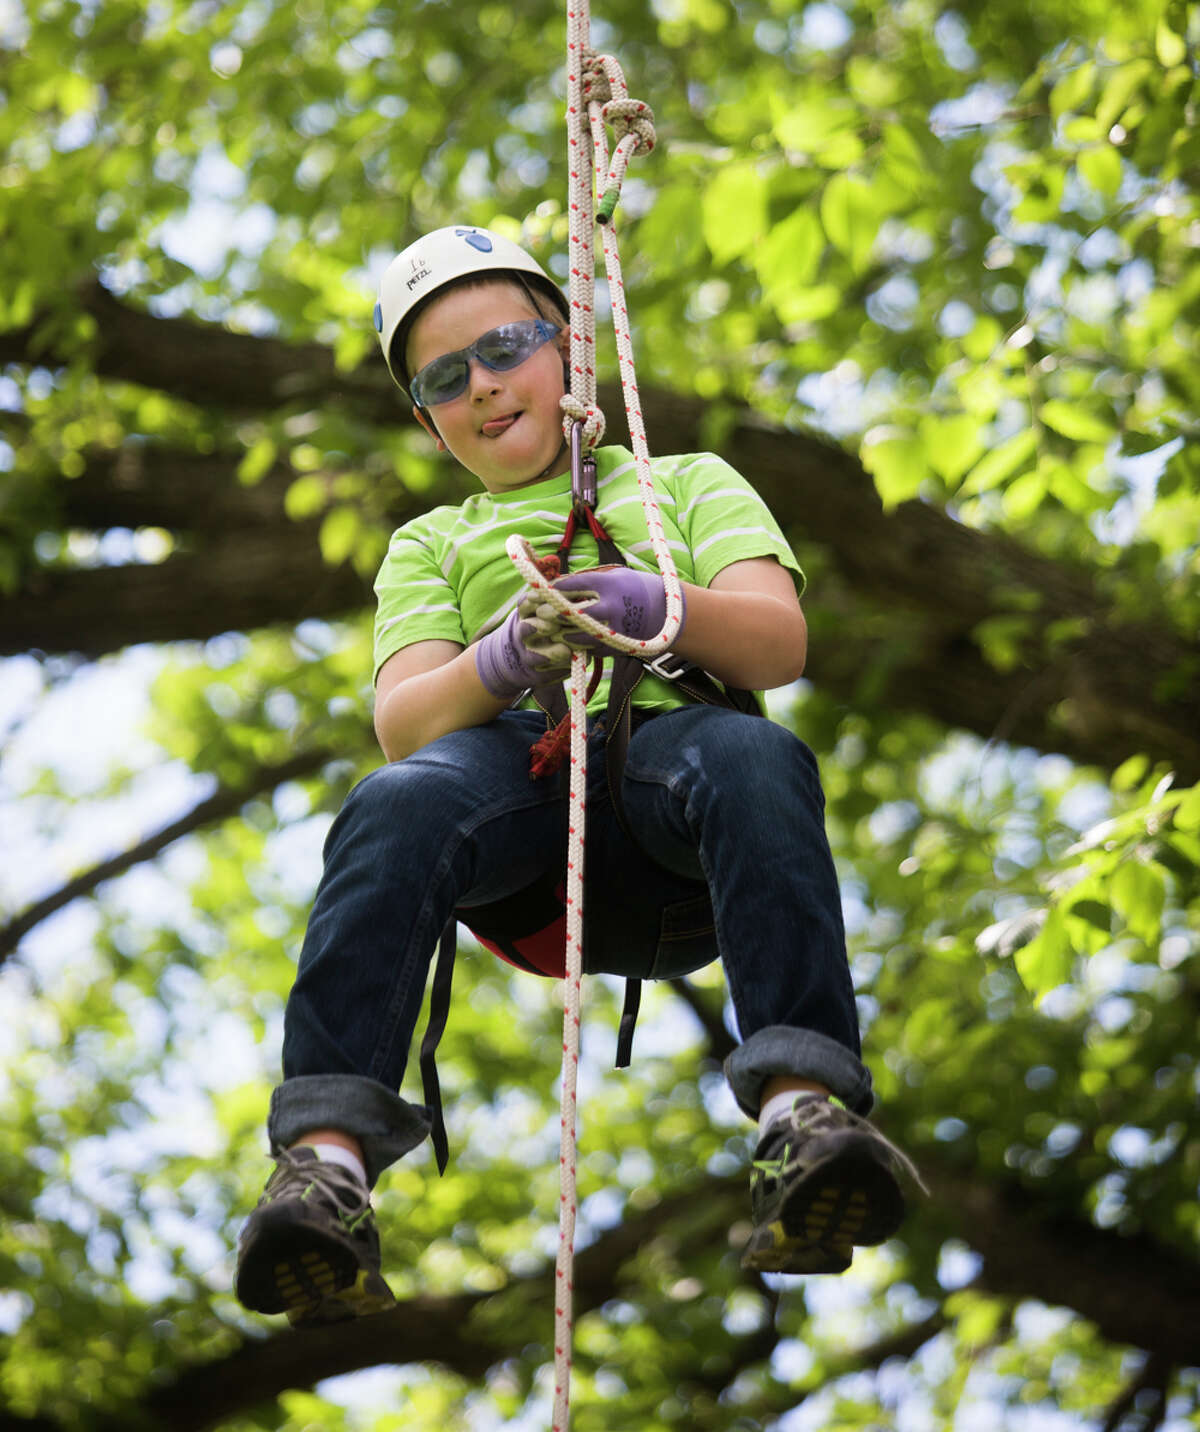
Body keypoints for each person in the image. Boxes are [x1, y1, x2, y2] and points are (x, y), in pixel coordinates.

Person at [233, 224, 916, 1324]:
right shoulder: (430, 544)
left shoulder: (683, 483)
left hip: (671, 772)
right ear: (428, 419)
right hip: (517, 799)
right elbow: (405, 725)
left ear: (571, 347)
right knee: (394, 803)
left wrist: (660, 605)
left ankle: (803, 1111)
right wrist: (500, 659)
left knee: (755, 754)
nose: (482, 385)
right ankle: (326, 1166)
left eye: (505, 347)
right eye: (444, 378)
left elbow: (778, 644)